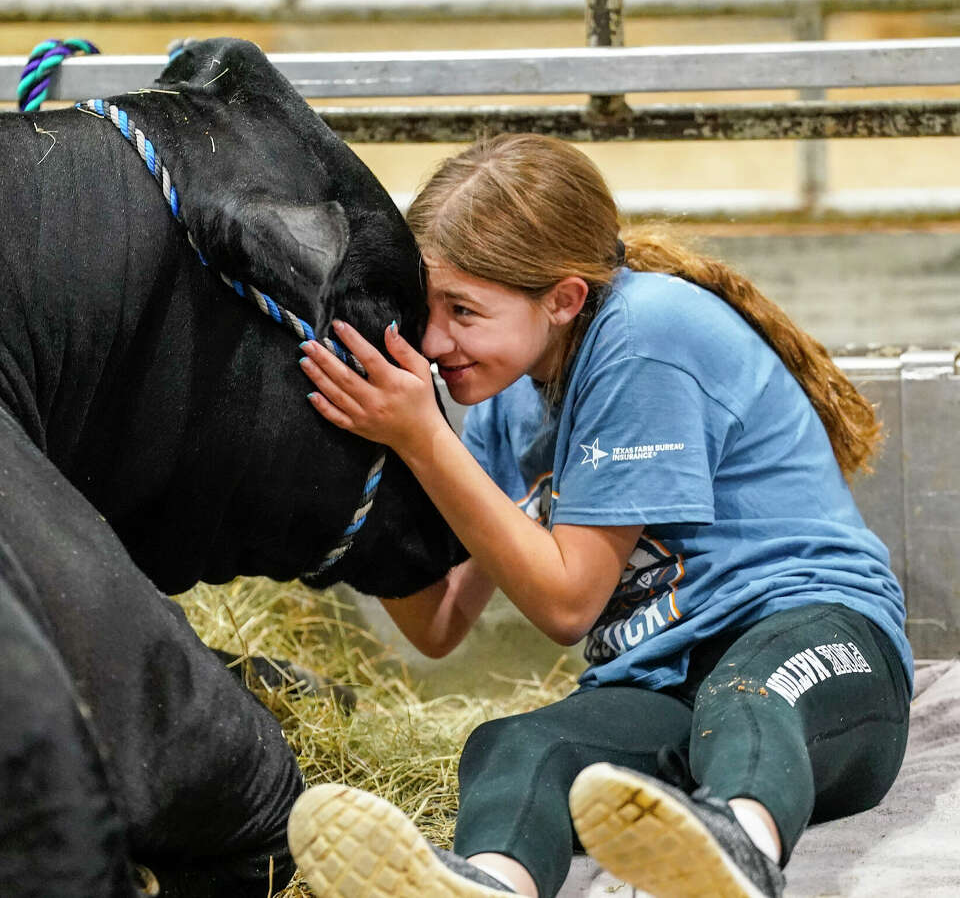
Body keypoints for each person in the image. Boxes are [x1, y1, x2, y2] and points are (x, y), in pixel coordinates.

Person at [284, 134, 913, 898]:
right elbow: (437, 621)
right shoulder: (500, 388)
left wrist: (421, 437)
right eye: (429, 305)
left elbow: (567, 601)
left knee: (746, 696)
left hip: (822, 649)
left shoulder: (645, 333)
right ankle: (492, 882)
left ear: (564, 298)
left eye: (464, 309)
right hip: (663, 687)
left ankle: (734, 854)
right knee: (516, 744)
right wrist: (347, 481)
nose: (436, 339)